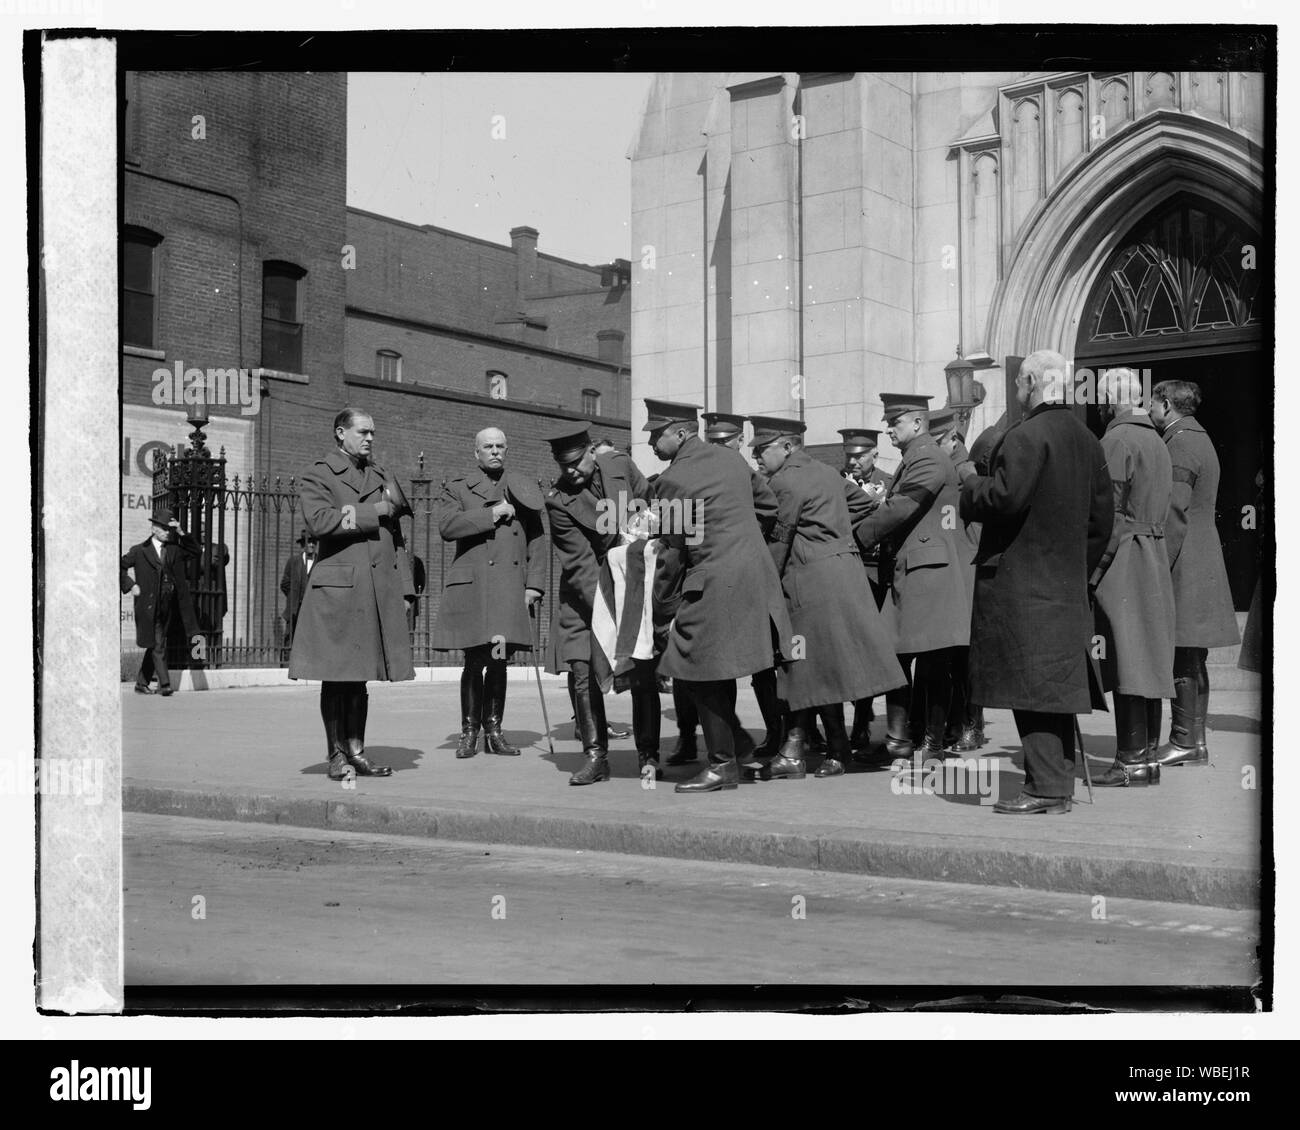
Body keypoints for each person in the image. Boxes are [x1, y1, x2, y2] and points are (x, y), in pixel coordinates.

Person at [955, 350, 1113, 815]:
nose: (1018, 393)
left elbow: (1003, 498)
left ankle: (1045, 789)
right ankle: (1054, 785)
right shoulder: (1088, 440)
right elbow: (1102, 523)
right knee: (1054, 689)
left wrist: (968, 482)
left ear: (1030, 383)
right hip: (1062, 585)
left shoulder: (1025, 436)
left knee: (1031, 689)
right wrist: (1073, 569)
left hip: (1021, 585)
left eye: (1020, 386)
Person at [646, 399, 796, 794]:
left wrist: (663, 610)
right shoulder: (732, 460)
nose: (650, 444)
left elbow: (674, 552)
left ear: (680, 433)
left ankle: (722, 765)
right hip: (755, 574)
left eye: (654, 435)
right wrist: (740, 537)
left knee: (694, 664)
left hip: (712, 578)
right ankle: (736, 748)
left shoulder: (671, 481)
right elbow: (767, 506)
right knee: (720, 666)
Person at [748, 416, 906, 779]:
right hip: (844, 576)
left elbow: (779, 543)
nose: (755, 454)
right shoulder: (824, 472)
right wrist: (839, 539)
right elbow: (867, 505)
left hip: (810, 584)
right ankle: (830, 748)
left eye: (762, 448)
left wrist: (760, 587)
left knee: (803, 666)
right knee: (820, 668)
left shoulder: (785, 482)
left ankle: (804, 750)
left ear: (787, 448)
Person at [288, 408, 416, 779]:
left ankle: (357, 750)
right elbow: (320, 522)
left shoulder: (379, 475)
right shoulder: (319, 474)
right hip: (338, 591)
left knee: (359, 677)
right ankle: (336, 755)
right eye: (363, 432)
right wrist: (375, 509)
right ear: (340, 433)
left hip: (374, 590)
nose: (370, 438)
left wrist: (406, 588)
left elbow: (397, 541)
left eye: (373, 432)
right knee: (336, 675)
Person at [854, 393, 970, 760]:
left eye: (895, 422)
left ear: (918, 424)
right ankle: (900, 740)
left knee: (933, 662)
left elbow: (899, 508)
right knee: (897, 657)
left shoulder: (928, 459)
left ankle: (930, 745)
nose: (888, 429)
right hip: (915, 570)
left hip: (929, 571)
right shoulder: (916, 458)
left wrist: (855, 536)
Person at [544, 424, 656, 784]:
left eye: (576, 462)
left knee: (642, 671)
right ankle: (596, 757)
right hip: (586, 595)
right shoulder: (558, 501)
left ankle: (648, 757)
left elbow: (647, 501)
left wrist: (643, 530)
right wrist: (613, 614)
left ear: (593, 452)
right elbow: (579, 564)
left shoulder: (620, 465)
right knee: (583, 672)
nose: (571, 471)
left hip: (632, 583)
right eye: (564, 466)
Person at [432, 427, 545, 759]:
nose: (494, 451)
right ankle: (469, 731)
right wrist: (492, 514)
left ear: (507, 450)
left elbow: (538, 540)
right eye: (487, 447)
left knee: (498, 661)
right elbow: (447, 527)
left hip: (507, 590)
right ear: (476, 452)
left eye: (499, 446)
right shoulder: (458, 488)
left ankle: (494, 731)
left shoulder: (522, 489)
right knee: (473, 661)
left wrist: (534, 584)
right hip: (475, 590)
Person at [1088, 369, 1177, 787]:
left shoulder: (1117, 438)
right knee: (1148, 657)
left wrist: (1093, 568)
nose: (1099, 405)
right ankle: (1145, 760)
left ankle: (1129, 762)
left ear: (1109, 400)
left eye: (1102, 399)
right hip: (1153, 554)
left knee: (1126, 658)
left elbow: (1109, 514)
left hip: (1125, 555)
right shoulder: (1157, 439)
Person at [1149, 380, 1240, 767]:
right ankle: (1192, 741)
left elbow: (1174, 512)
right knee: (1191, 657)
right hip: (1201, 556)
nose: (1149, 410)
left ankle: (1186, 740)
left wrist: (1156, 564)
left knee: (1182, 655)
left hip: (1185, 559)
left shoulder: (1180, 442)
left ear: (1167, 404)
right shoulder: (1197, 437)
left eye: (1152, 402)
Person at [929, 408, 984, 752]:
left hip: (965, 569)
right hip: (952, 567)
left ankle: (971, 726)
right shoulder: (943, 467)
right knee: (951, 655)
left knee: (964, 656)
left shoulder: (965, 470)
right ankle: (954, 723)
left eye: (939, 442)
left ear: (953, 438)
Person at [840, 426, 893, 752]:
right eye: (849, 455)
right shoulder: (836, 482)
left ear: (874, 453)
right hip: (848, 575)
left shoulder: (888, 482)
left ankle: (861, 722)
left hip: (877, 577)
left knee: (871, 650)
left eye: (859, 455)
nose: (853, 461)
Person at [120, 507, 203, 697]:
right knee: (158, 644)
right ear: (154, 529)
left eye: (169, 529)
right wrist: (131, 585)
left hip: (168, 606)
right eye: (164, 528)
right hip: (148, 607)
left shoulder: (173, 549)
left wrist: (181, 531)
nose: (167, 532)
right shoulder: (139, 551)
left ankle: (141, 683)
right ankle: (164, 684)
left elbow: (196, 551)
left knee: (155, 643)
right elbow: (119, 566)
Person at [280, 532, 317, 662]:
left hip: (313, 607)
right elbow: (284, 583)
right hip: (295, 606)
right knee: (290, 635)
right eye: (308, 542)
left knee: (312, 635)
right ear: (303, 545)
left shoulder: (320, 561)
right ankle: (286, 664)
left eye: (313, 542)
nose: (311, 545)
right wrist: (293, 596)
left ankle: (309, 664)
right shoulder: (293, 561)